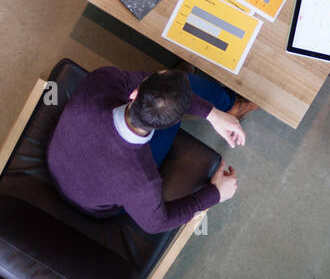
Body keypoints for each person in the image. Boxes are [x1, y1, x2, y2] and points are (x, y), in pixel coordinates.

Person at [47, 67, 258, 234]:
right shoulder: (143, 181)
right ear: (171, 124)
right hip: (95, 207)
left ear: (136, 91)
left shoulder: (102, 79)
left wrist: (212, 114)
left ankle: (176, 92)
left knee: (172, 93)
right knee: (189, 84)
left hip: (58, 160)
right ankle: (230, 106)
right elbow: (156, 223)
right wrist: (216, 193)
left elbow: (142, 78)